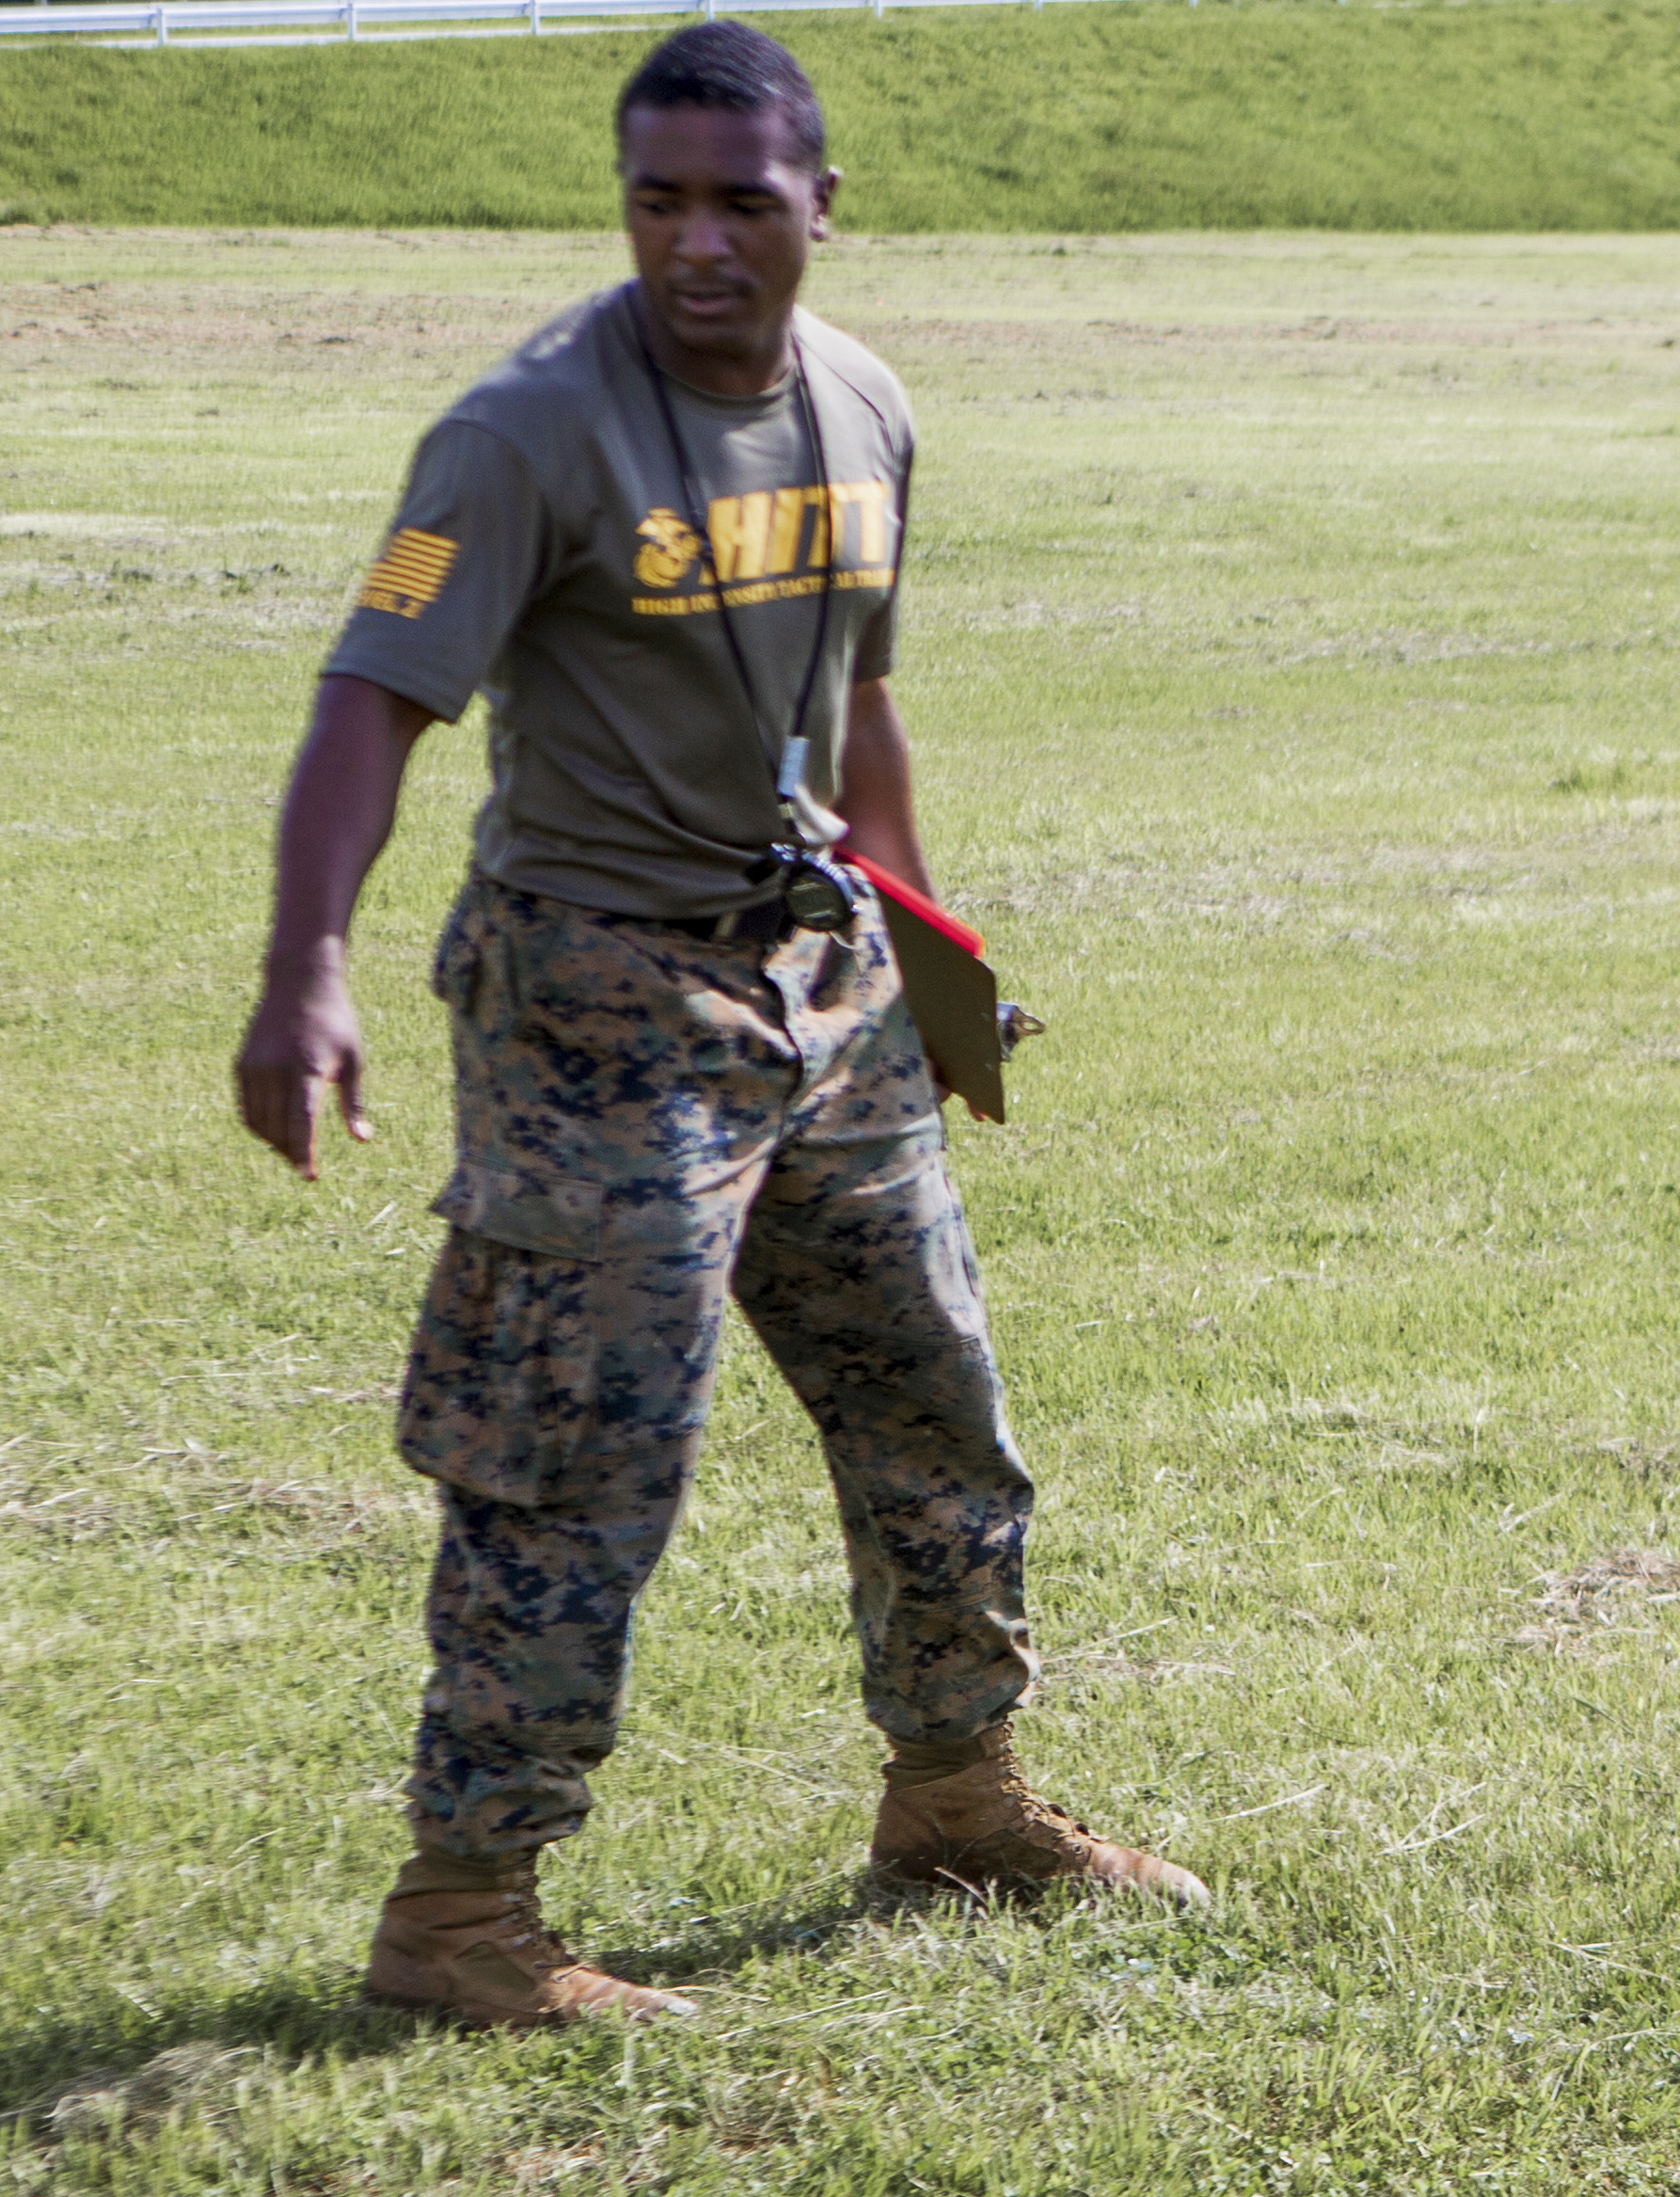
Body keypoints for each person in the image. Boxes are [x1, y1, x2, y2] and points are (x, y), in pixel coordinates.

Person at [228, 18, 1197, 2030]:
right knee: (576, 1461)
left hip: (822, 984)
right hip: (595, 996)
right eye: (654, 200)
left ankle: (957, 1797)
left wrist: (933, 957)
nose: (695, 243)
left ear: (821, 207)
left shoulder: (862, 405)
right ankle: (462, 1911)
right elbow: (368, 698)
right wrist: (303, 963)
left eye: (738, 201)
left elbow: (858, 708)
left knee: (932, 1405)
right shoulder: (515, 438)